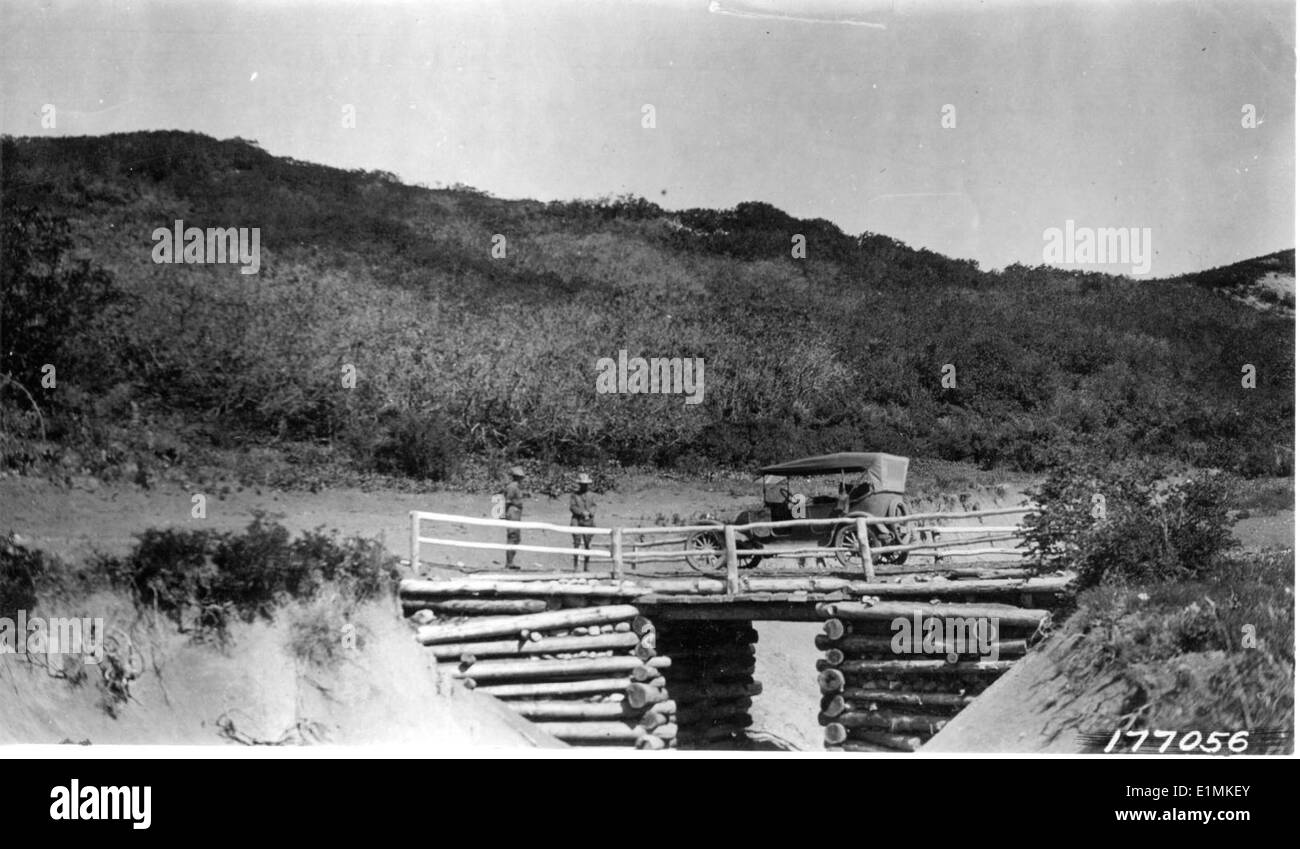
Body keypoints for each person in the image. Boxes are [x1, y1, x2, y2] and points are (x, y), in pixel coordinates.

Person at [569, 473, 597, 572]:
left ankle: (587, 566)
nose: (584, 486)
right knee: (576, 542)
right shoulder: (574, 495)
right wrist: (581, 512)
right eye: (582, 484)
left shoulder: (592, 495)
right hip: (577, 519)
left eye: (586, 484)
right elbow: (572, 507)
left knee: (587, 543)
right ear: (579, 484)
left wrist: (589, 513)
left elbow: (594, 506)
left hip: (588, 519)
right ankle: (576, 565)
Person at [502, 466, 527, 569]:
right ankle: (509, 563)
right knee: (513, 537)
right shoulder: (512, 487)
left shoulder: (517, 487)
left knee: (516, 538)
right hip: (512, 512)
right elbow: (508, 500)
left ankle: (511, 561)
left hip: (516, 513)